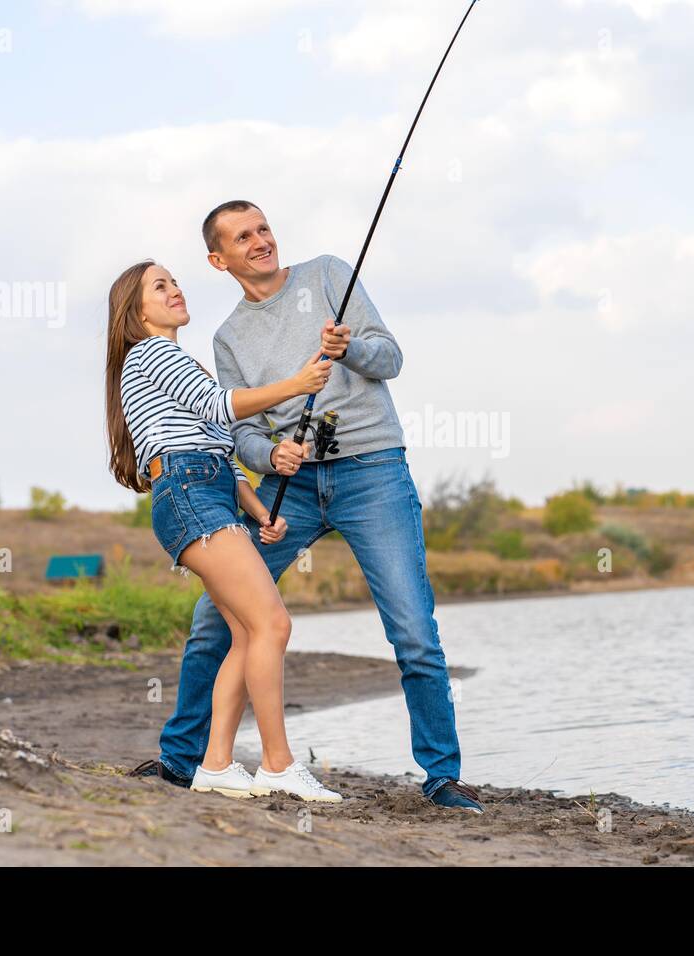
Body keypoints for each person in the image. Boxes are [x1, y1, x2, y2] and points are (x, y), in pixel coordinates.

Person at [139, 200, 483, 813]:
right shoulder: (226, 339)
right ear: (220, 259)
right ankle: (181, 760)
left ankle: (441, 774)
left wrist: (349, 348)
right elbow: (234, 429)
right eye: (242, 237)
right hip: (289, 490)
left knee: (412, 628)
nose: (260, 241)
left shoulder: (328, 275)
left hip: (371, 469)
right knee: (214, 624)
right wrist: (272, 457)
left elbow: (390, 359)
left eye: (263, 228)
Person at [107, 259, 342, 802]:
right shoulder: (151, 354)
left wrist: (259, 512)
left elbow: (223, 452)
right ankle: (279, 764)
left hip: (207, 489)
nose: (175, 290)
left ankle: (214, 763)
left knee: (247, 632)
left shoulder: (172, 359)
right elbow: (222, 407)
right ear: (134, 311)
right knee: (273, 626)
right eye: (159, 286)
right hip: (188, 492)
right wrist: (297, 384)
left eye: (174, 281)